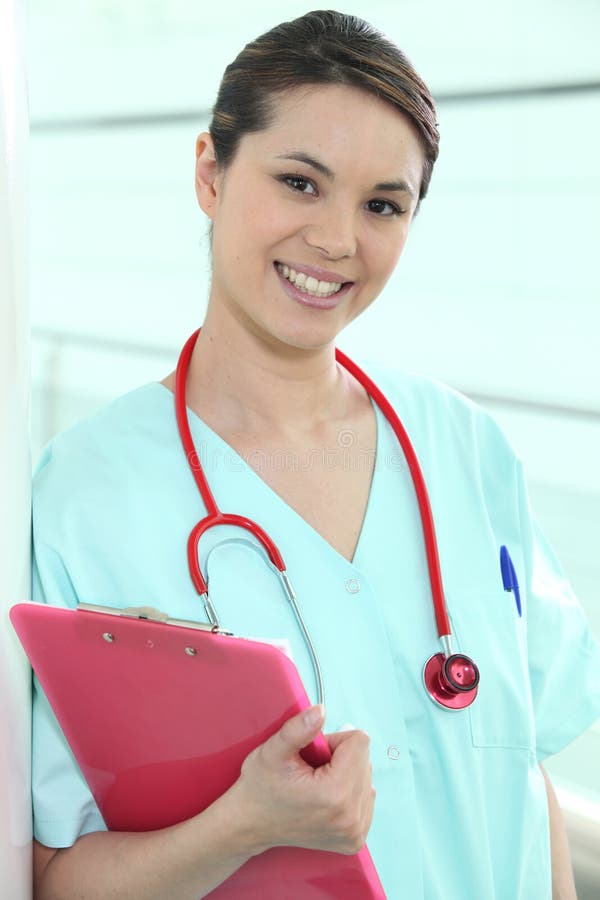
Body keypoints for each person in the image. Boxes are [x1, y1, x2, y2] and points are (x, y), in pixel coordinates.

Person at [30, 9, 600, 900]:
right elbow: (55, 877)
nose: (338, 240)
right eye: (300, 183)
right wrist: (245, 823)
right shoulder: (86, 495)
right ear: (211, 173)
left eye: (383, 205)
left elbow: (524, 777)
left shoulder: (465, 447)